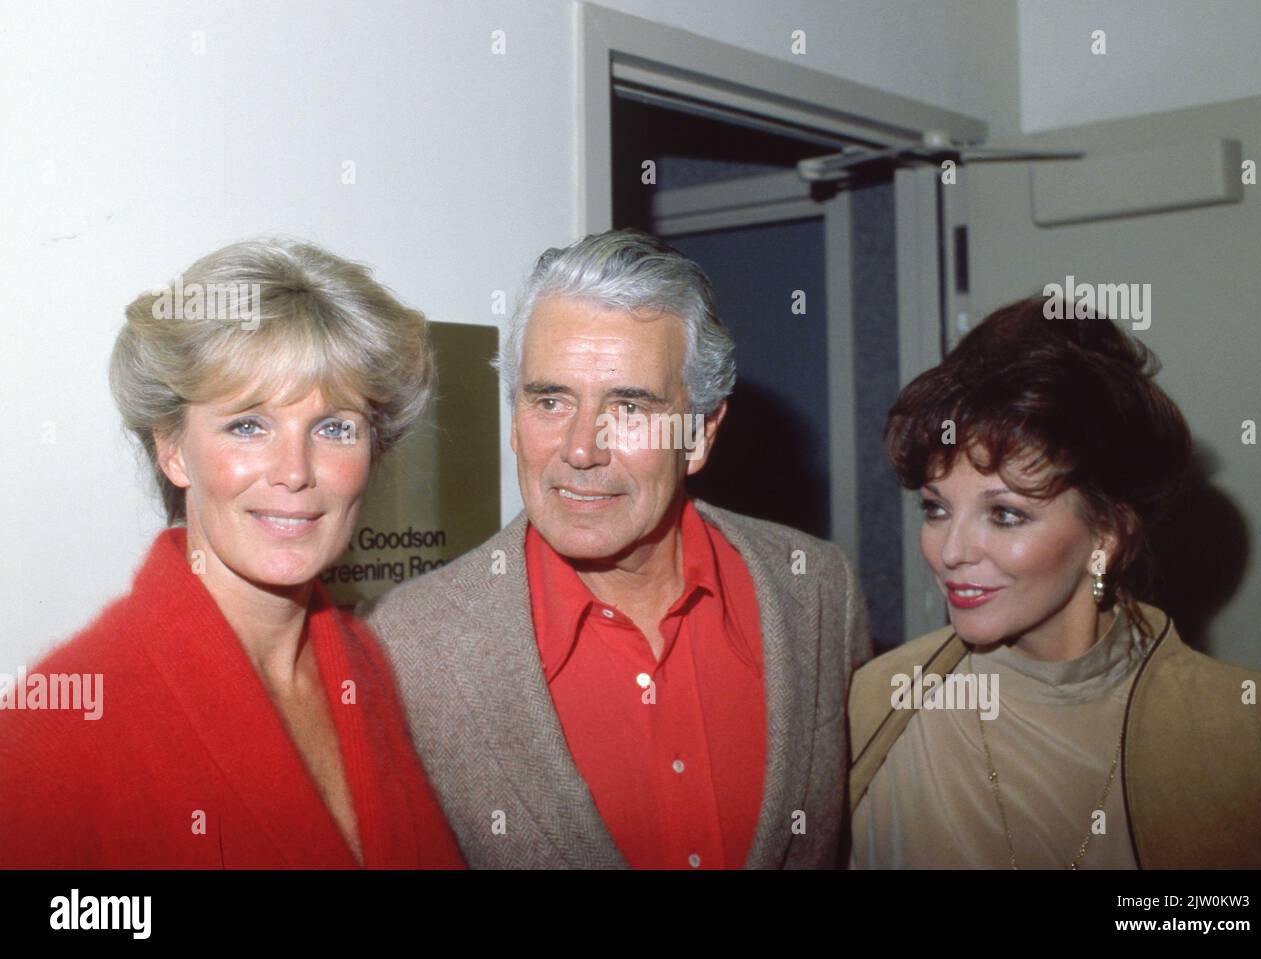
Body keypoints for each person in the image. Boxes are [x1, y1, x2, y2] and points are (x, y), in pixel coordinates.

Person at [365, 228, 872, 868]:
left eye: (629, 408)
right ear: (516, 420)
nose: (581, 450)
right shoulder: (411, 645)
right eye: (550, 400)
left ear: (699, 435)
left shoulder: (819, 589)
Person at [0, 238, 464, 868]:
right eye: (248, 424)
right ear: (172, 450)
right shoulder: (55, 728)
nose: (295, 473)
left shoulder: (367, 666)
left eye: (334, 428)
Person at [847, 294, 1261, 869]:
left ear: (1106, 533)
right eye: (936, 509)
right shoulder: (875, 705)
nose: (950, 552)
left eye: (1005, 514)